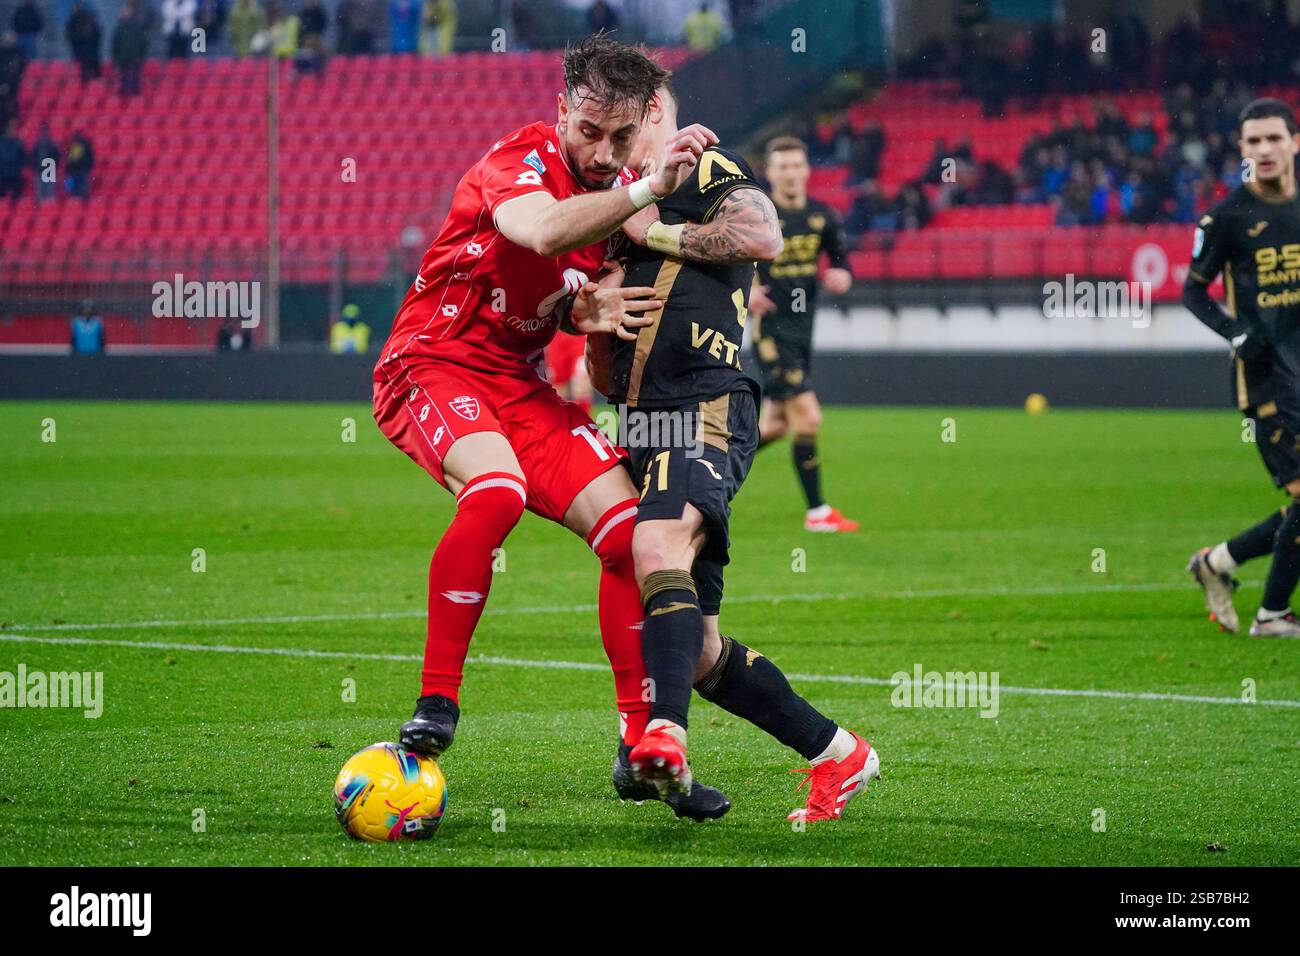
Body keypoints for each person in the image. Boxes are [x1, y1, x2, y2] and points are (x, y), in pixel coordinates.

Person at [371, 35, 728, 818]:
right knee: (494, 492)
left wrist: (592, 316)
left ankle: (641, 748)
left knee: (634, 534)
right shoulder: (522, 159)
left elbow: (597, 370)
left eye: (620, 138)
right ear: (561, 111)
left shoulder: (623, 192)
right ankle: (437, 702)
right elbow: (539, 231)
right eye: (588, 131)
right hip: (432, 362)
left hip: (519, 386)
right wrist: (642, 193)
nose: (602, 152)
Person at [587, 85, 878, 821]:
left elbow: (759, 237)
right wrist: (597, 319)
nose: (613, 146)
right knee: (704, 648)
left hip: (705, 402)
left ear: (655, 112)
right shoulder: (619, 201)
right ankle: (839, 753)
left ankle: (663, 736)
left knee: (656, 541)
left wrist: (654, 234)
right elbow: (600, 365)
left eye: (624, 127)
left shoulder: (699, 167)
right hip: (641, 419)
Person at [1186, 98, 1300, 638]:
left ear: (1294, 142)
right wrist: (1235, 333)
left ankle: (1219, 563)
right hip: (1267, 381)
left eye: (1273, 138)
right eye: (1252, 141)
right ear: (1242, 150)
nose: (1264, 149)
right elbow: (1193, 292)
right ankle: (1273, 615)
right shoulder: (1227, 218)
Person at [748, 136, 860, 532]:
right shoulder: (755, 213)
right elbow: (723, 258)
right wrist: (743, 290)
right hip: (771, 331)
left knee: (776, 426)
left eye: (798, 165)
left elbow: (842, 261)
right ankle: (817, 513)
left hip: (803, 330)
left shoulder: (823, 216)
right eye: (783, 167)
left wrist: (842, 276)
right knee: (809, 418)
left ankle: (703, 465)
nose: (792, 173)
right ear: (771, 172)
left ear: (807, 170)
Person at [111, 3, 149, 96]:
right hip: (123, 58)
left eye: (127, 12)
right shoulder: (119, 28)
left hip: (135, 57)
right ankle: (124, 96)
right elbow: (115, 44)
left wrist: (140, 55)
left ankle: (135, 97)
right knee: (123, 78)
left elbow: (144, 42)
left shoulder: (137, 27)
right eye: (124, 12)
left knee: (135, 77)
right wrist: (117, 57)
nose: (125, 13)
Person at [66, 0, 104, 83]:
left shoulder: (83, 20)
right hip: (86, 51)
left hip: (88, 51)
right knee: (88, 69)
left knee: (90, 69)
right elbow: (69, 34)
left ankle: (92, 85)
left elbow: (72, 34)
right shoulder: (75, 20)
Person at [0, 119, 26, 200]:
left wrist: (19, 167)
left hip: (15, 174)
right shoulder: (1, 143)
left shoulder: (18, 143)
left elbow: (23, 157)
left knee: (16, 195)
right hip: (3, 174)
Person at [31, 121, 56, 202]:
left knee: (49, 194)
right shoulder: (38, 145)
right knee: (41, 194)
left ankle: (48, 211)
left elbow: (56, 156)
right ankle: (41, 211)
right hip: (40, 171)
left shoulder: (51, 144)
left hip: (49, 171)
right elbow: (33, 157)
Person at [64, 129, 92, 199]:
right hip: (79, 171)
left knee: (76, 189)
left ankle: (75, 203)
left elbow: (69, 159)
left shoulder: (74, 146)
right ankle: (77, 203)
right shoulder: (76, 146)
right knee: (79, 189)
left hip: (77, 171)